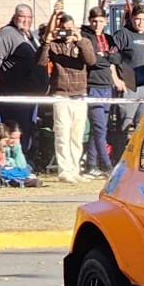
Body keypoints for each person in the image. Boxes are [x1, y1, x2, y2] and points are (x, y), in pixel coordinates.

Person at [37, 12, 96, 184]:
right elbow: (40, 62)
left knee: (77, 135)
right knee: (62, 133)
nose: (67, 32)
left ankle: (75, 168)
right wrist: (47, 42)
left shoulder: (83, 41)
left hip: (80, 93)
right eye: (63, 29)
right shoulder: (54, 45)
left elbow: (91, 61)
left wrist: (79, 41)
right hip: (61, 94)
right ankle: (64, 170)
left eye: (70, 29)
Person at [0, 4, 47, 153]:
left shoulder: (30, 36)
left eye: (28, 17)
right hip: (13, 94)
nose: (25, 20)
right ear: (14, 17)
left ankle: (24, 163)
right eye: (22, 17)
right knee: (14, 132)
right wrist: (8, 77)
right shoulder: (7, 33)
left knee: (26, 131)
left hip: (30, 94)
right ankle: (11, 165)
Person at [81, 7, 126, 177]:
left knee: (100, 128)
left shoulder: (108, 38)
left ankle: (91, 164)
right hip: (93, 85)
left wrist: (105, 56)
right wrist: (104, 58)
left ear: (106, 21)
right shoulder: (86, 37)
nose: (97, 24)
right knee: (99, 127)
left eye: (100, 21)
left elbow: (116, 58)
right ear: (89, 20)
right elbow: (92, 61)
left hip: (107, 86)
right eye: (94, 21)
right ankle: (106, 165)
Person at [111, 6, 144, 141]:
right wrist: (117, 79)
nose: (141, 22)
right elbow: (112, 59)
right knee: (124, 124)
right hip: (129, 84)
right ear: (131, 19)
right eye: (137, 19)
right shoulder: (123, 34)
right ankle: (118, 156)